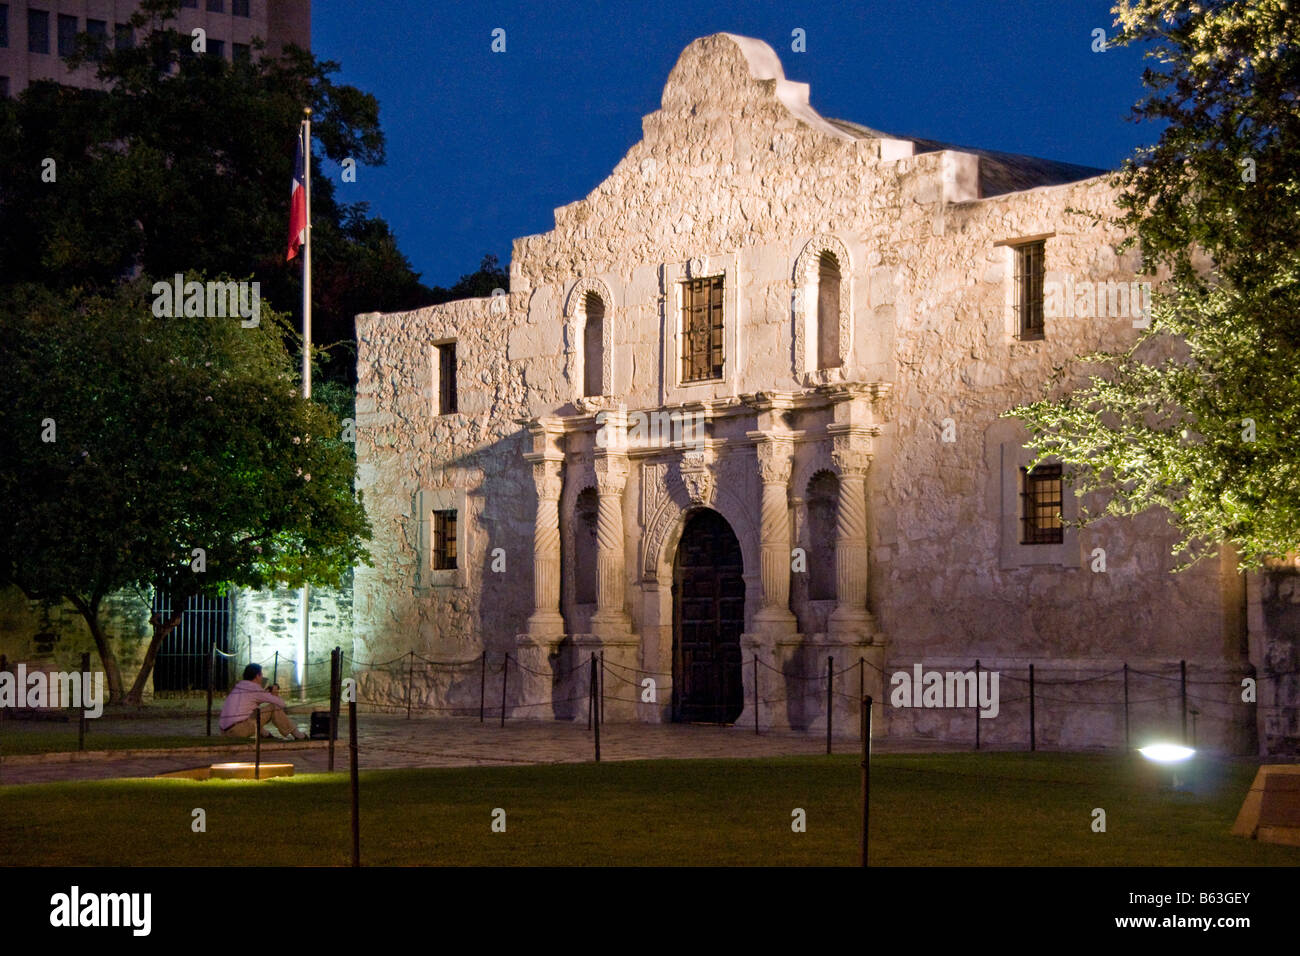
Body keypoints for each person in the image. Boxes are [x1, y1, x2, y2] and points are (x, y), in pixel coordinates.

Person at [218, 663, 308, 740]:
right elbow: (282, 704)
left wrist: (265, 693)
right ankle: (298, 735)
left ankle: (265, 734)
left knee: (254, 711)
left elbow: (252, 701)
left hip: (225, 731)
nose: (262, 678)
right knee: (273, 708)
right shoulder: (255, 688)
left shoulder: (239, 686)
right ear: (257, 676)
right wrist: (275, 693)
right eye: (261, 675)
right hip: (238, 731)